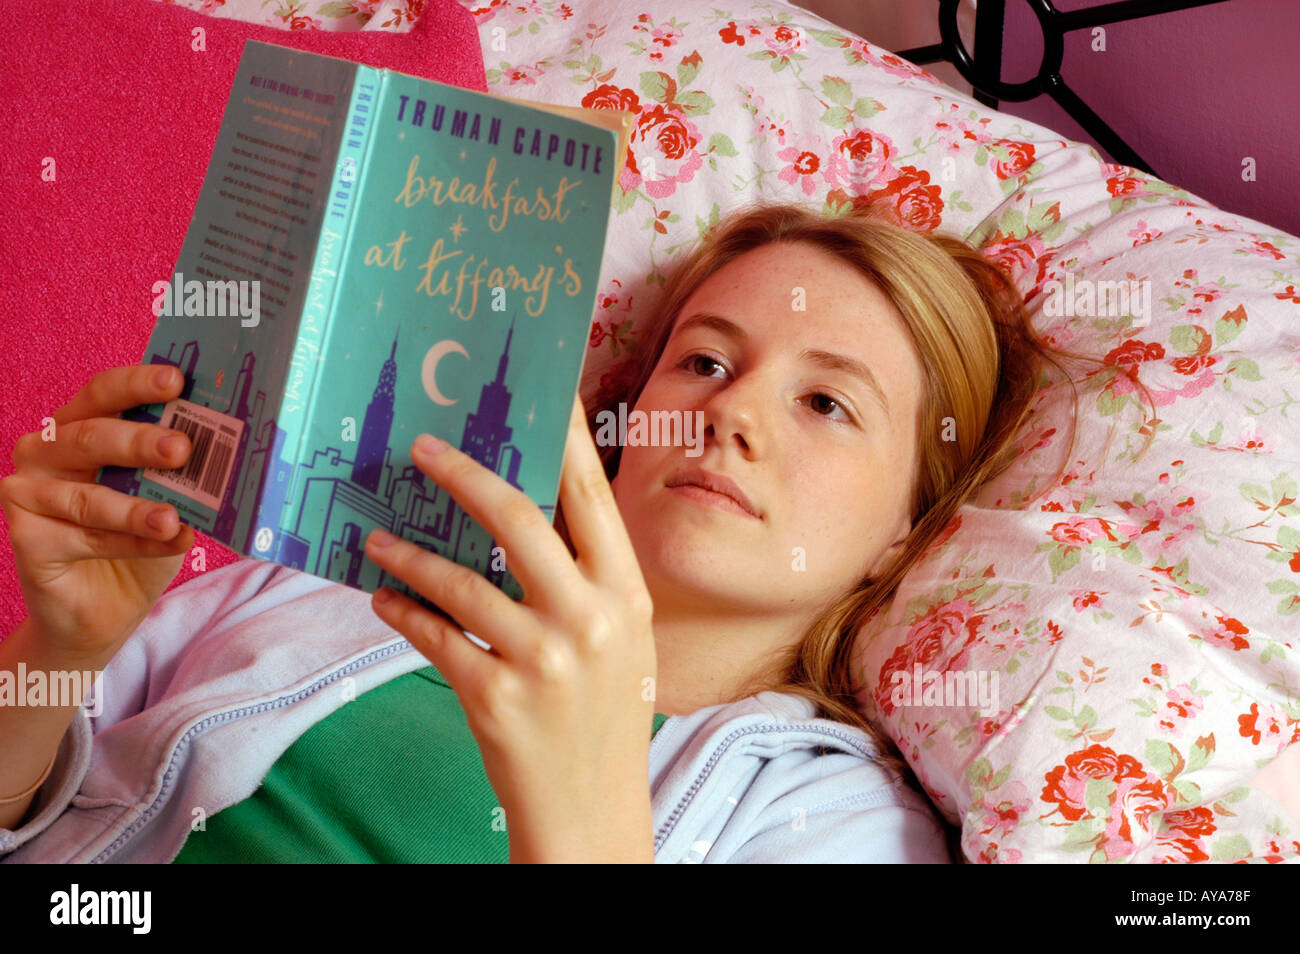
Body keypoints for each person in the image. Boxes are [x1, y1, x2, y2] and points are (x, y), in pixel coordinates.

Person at [0, 198, 1107, 863]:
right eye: (706, 361)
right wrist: (50, 661)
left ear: (904, 537)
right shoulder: (326, 584)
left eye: (827, 404)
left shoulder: (829, 821)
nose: (727, 413)